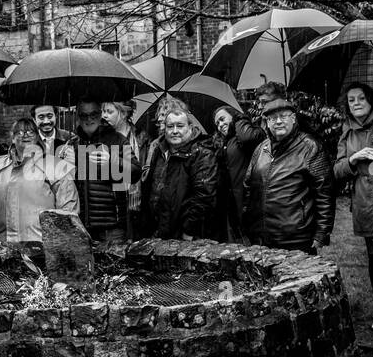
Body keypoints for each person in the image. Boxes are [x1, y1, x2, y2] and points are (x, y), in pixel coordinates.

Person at [335, 82, 373, 328]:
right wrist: (353, 158)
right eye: (351, 100)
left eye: (361, 98)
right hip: (364, 201)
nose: (356, 103)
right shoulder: (346, 132)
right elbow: (337, 171)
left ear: (371, 100)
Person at [243, 98, 335, 253]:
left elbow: (325, 192)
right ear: (267, 123)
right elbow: (248, 187)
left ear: (293, 119)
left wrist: (322, 233)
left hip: (296, 238)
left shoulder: (310, 147)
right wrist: (247, 223)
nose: (278, 121)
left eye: (283, 116)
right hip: (261, 238)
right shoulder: (261, 149)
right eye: (273, 118)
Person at [0, 118, 79, 243]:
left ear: (37, 137)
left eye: (31, 132)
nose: (25, 135)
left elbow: (68, 212)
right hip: (2, 247)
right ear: (12, 137)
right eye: (20, 132)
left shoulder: (54, 168)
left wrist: (58, 245)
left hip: (42, 247)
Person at [61, 98, 138, 242]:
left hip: (111, 228)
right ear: (78, 117)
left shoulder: (117, 140)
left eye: (93, 114)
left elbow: (135, 173)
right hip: (81, 226)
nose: (89, 119)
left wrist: (113, 161)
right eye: (84, 115)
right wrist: (68, 165)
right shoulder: (73, 144)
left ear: (100, 114)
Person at [139, 104, 218, 240]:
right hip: (159, 229)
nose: (175, 131)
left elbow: (204, 197)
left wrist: (189, 231)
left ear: (190, 127)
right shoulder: (158, 150)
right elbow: (151, 190)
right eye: (170, 126)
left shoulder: (202, 154)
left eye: (180, 126)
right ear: (165, 128)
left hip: (185, 234)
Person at [212, 104, 264, 242]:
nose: (220, 125)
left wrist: (239, 118)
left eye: (222, 119)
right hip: (233, 204)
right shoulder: (226, 142)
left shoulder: (246, 135)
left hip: (250, 200)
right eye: (217, 124)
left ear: (233, 116)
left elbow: (247, 138)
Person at [102, 100, 149, 237]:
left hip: (137, 202)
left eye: (109, 112)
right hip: (113, 204)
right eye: (103, 111)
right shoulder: (104, 137)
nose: (104, 115)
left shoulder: (141, 138)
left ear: (123, 114)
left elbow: (142, 170)